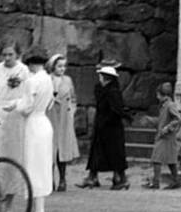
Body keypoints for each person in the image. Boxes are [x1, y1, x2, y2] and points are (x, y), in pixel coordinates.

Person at [4, 49, 54, 212]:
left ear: (31, 64)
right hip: (44, 122)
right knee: (40, 166)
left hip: (34, 124)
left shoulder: (32, 81)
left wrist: (14, 106)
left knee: (34, 167)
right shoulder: (47, 79)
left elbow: (27, 107)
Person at [0, 39, 28, 212]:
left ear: (17, 54)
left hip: (14, 120)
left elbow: (25, 96)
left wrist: (14, 104)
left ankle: (9, 208)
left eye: (11, 54)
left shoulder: (23, 70)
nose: (7, 58)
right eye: (4, 54)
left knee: (11, 161)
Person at [80, 60, 128, 189]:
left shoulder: (113, 92)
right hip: (102, 125)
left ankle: (119, 178)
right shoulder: (103, 89)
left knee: (115, 152)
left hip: (112, 127)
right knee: (97, 151)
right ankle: (93, 176)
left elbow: (117, 109)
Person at [46, 54, 79, 192]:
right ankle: (50, 179)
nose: (62, 69)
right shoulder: (47, 79)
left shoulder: (68, 80)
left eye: (64, 66)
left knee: (62, 149)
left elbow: (73, 98)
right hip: (51, 116)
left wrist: (71, 112)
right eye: (59, 66)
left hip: (65, 118)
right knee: (50, 149)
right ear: (53, 66)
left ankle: (63, 179)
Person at [145, 82, 181, 190]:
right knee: (171, 160)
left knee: (157, 158)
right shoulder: (165, 105)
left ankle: (156, 182)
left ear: (162, 95)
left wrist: (167, 128)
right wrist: (152, 120)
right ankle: (176, 181)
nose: (157, 97)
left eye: (158, 95)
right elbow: (162, 120)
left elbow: (178, 119)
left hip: (166, 136)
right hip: (166, 136)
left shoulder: (170, 105)